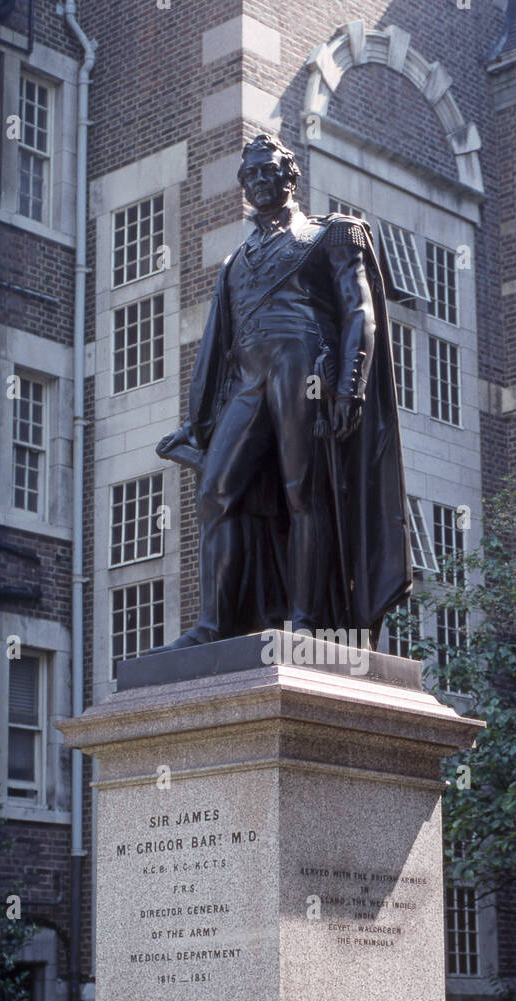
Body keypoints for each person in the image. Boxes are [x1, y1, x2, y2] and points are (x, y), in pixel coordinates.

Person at [156, 133, 411, 647]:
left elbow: (359, 311)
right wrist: (200, 418)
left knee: (302, 492)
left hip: (304, 365)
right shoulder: (235, 262)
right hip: (249, 379)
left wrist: (349, 389)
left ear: (291, 174)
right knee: (216, 491)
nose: (259, 180)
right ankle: (213, 624)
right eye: (249, 174)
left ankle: (305, 620)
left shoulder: (334, 234)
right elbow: (219, 348)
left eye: (269, 169)